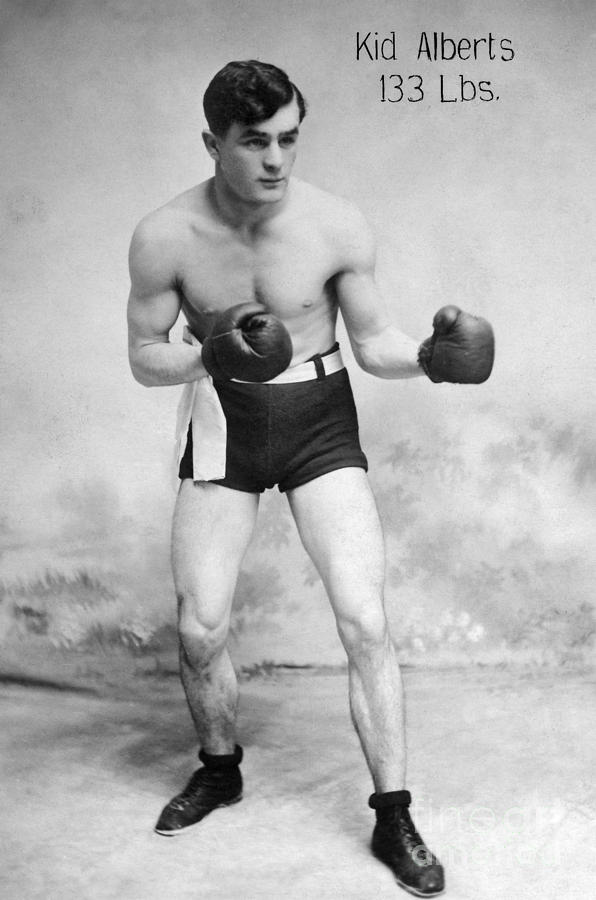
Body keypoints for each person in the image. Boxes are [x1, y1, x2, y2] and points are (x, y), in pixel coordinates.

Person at [127, 59, 493, 898]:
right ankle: (220, 771)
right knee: (200, 627)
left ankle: (394, 812)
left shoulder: (334, 224)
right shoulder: (165, 235)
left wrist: (432, 358)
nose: (275, 161)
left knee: (365, 621)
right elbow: (146, 357)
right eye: (254, 142)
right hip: (225, 420)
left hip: (319, 420)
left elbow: (372, 343)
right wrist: (206, 351)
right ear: (212, 141)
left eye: (288, 139)